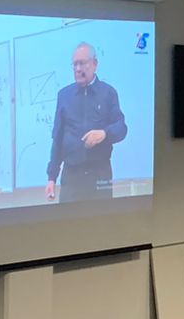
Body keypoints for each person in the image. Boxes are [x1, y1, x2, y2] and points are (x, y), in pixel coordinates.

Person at [46, 42, 127, 202]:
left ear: (95, 64)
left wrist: (105, 133)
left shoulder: (108, 93)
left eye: (82, 63)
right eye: (75, 64)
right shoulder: (64, 96)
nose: (78, 69)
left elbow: (122, 128)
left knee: (101, 225)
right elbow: (58, 138)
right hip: (72, 177)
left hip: (99, 176)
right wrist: (51, 177)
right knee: (69, 224)